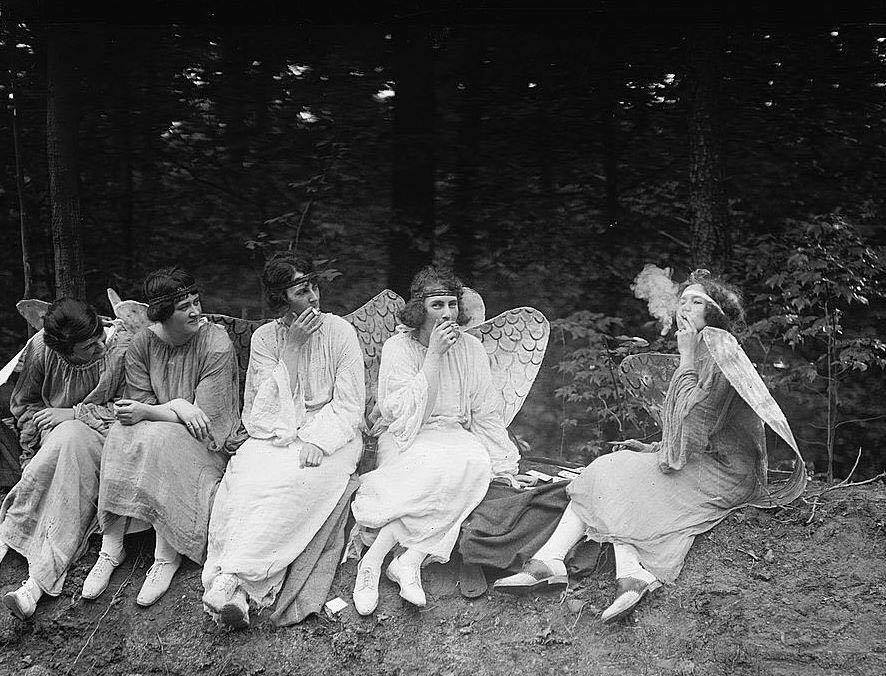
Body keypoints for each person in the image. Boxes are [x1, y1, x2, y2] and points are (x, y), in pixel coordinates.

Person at [494, 270, 806, 621]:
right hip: (705, 460)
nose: (684, 307)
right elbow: (687, 431)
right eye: (683, 300)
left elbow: (695, 423)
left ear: (715, 313)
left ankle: (616, 571)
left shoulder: (719, 349)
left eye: (696, 301)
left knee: (619, 474)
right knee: (615, 467)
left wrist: (685, 359)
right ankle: (565, 562)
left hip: (728, 473)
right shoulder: (704, 347)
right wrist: (652, 448)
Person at [200, 252, 365, 628]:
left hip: (333, 434)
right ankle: (236, 589)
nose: (313, 296)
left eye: (313, 286)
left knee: (295, 484)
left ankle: (236, 581)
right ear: (280, 300)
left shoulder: (340, 332)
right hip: (276, 431)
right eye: (301, 290)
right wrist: (291, 347)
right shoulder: (264, 338)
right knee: (246, 478)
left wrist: (320, 441)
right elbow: (261, 413)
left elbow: (351, 404)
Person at [350, 266, 521, 615]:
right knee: (429, 470)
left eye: (452, 304)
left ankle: (407, 560)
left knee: (474, 463)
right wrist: (434, 356)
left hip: (453, 436)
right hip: (405, 435)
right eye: (437, 305)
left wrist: (503, 459)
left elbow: (485, 411)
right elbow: (397, 413)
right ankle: (371, 564)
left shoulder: (472, 349)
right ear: (419, 310)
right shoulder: (399, 347)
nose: (447, 313)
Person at [81, 267, 240, 607]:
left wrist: (175, 408)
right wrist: (175, 408)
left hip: (206, 444)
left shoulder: (216, 343)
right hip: (161, 432)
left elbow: (206, 420)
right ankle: (112, 548)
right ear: (164, 315)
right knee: (121, 432)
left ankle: (166, 556)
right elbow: (141, 405)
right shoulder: (142, 344)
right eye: (185, 308)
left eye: (196, 302)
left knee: (162, 435)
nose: (197, 312)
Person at [0, 299, 130, 619]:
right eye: (89, 346)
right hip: (55, 443)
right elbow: (24, 407)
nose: (100, 345)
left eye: (100, 335)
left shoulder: (122, 347)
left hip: (108, 442)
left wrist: (74, 413)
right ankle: (25, 562)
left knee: (71, 435)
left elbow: (133, 409)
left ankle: (36, 581)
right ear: (64, 351)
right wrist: (33, 444)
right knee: (64, 440)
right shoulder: (42, 350)